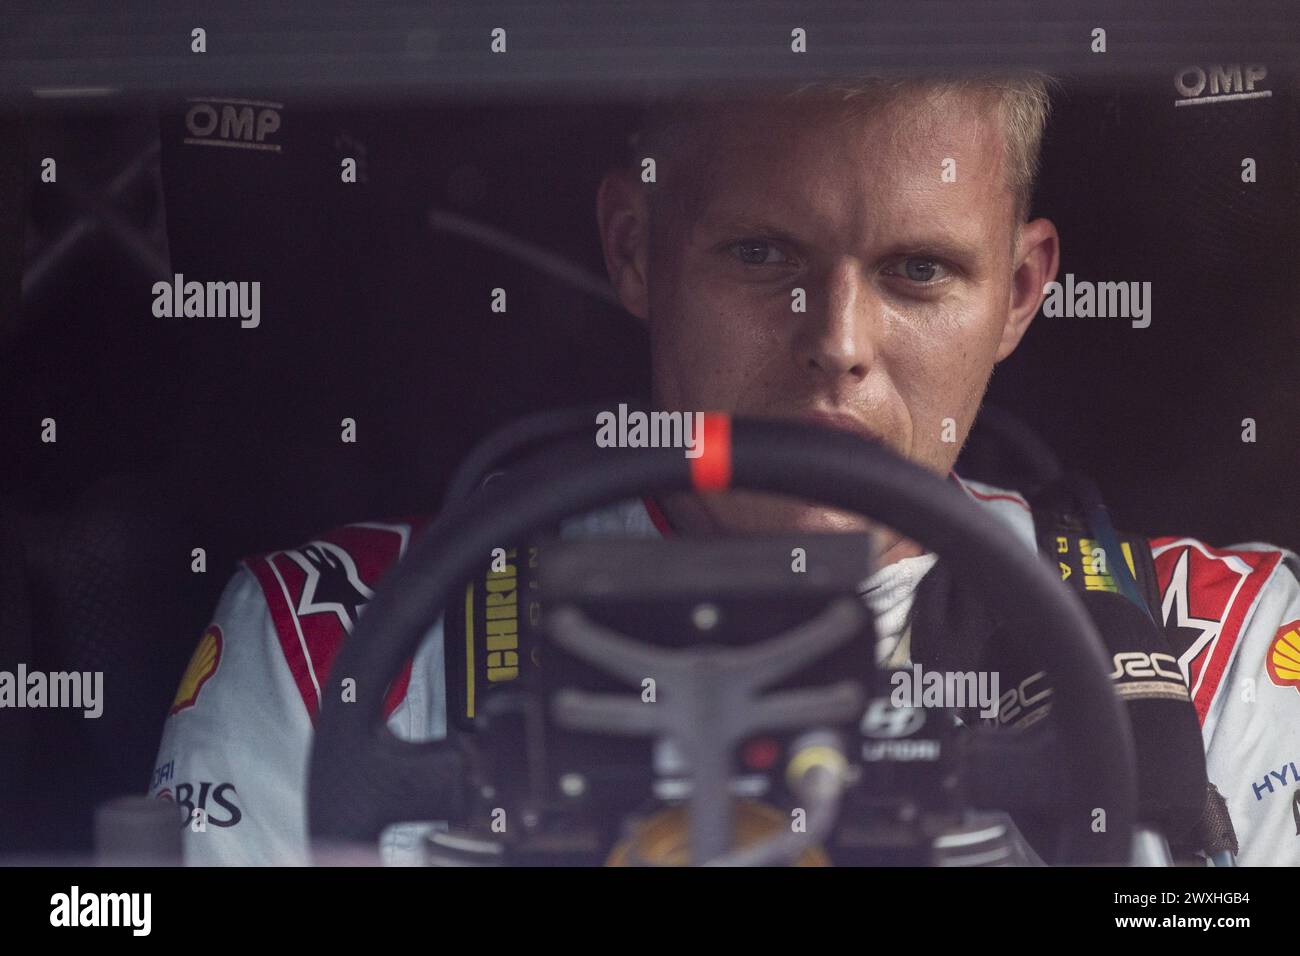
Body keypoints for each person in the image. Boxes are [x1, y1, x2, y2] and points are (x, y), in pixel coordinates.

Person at [148, 73, 1300, 865]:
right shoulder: (336, 640)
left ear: (1019, 291)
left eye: (915, 271)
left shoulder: (1225, 648)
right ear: (635, 247)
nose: (838, 342)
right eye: (763, 255)